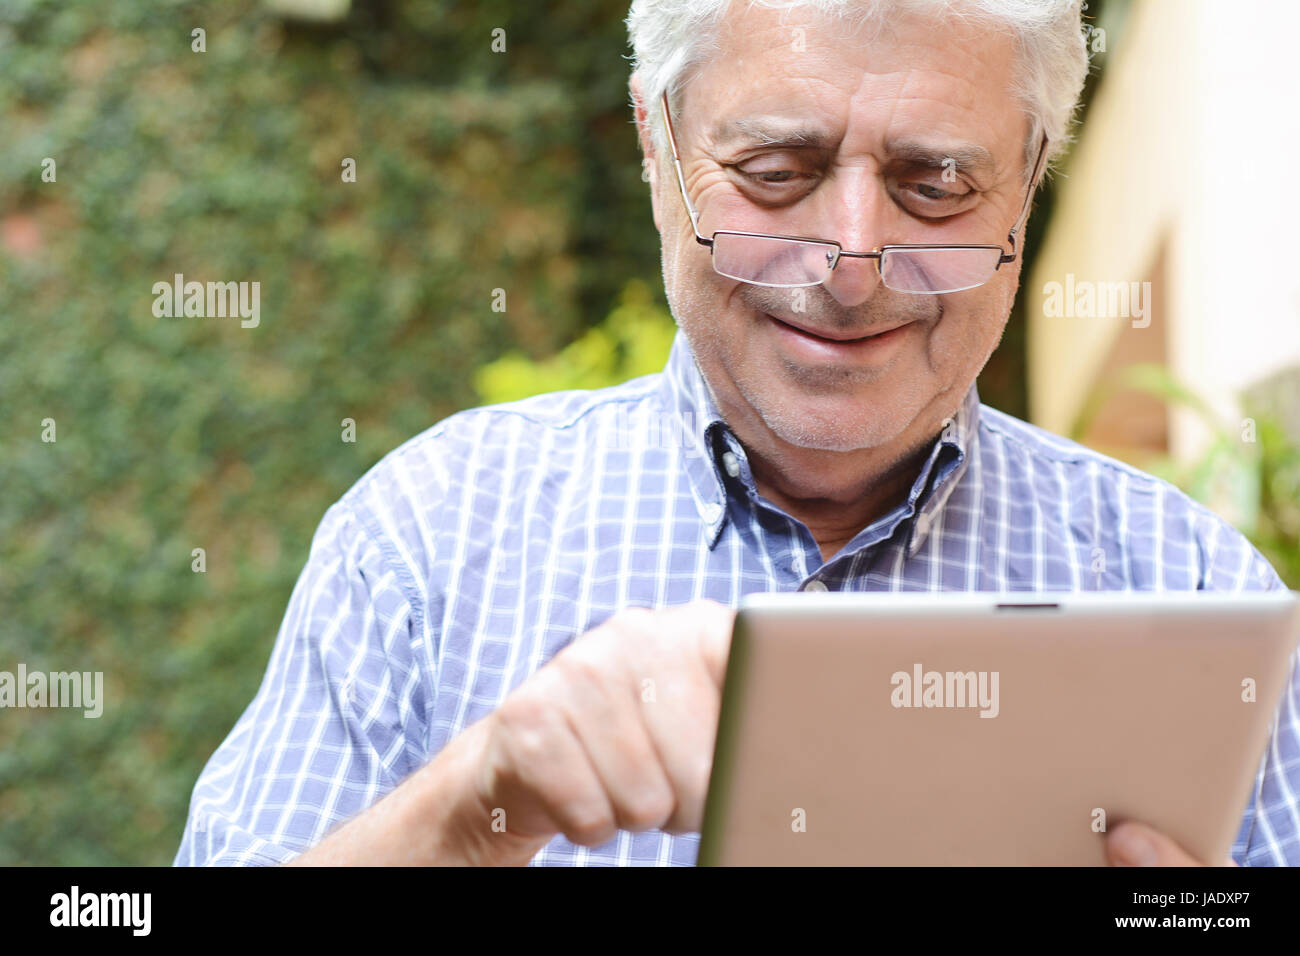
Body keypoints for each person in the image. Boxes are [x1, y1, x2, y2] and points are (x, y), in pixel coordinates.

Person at [175, 0, 1299, 866]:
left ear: (1030, 178)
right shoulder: (424, 540)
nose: (850, 263)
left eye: (936, 185)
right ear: (656, 151)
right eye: (775, 173)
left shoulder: (1199, 592)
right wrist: (477, 800)